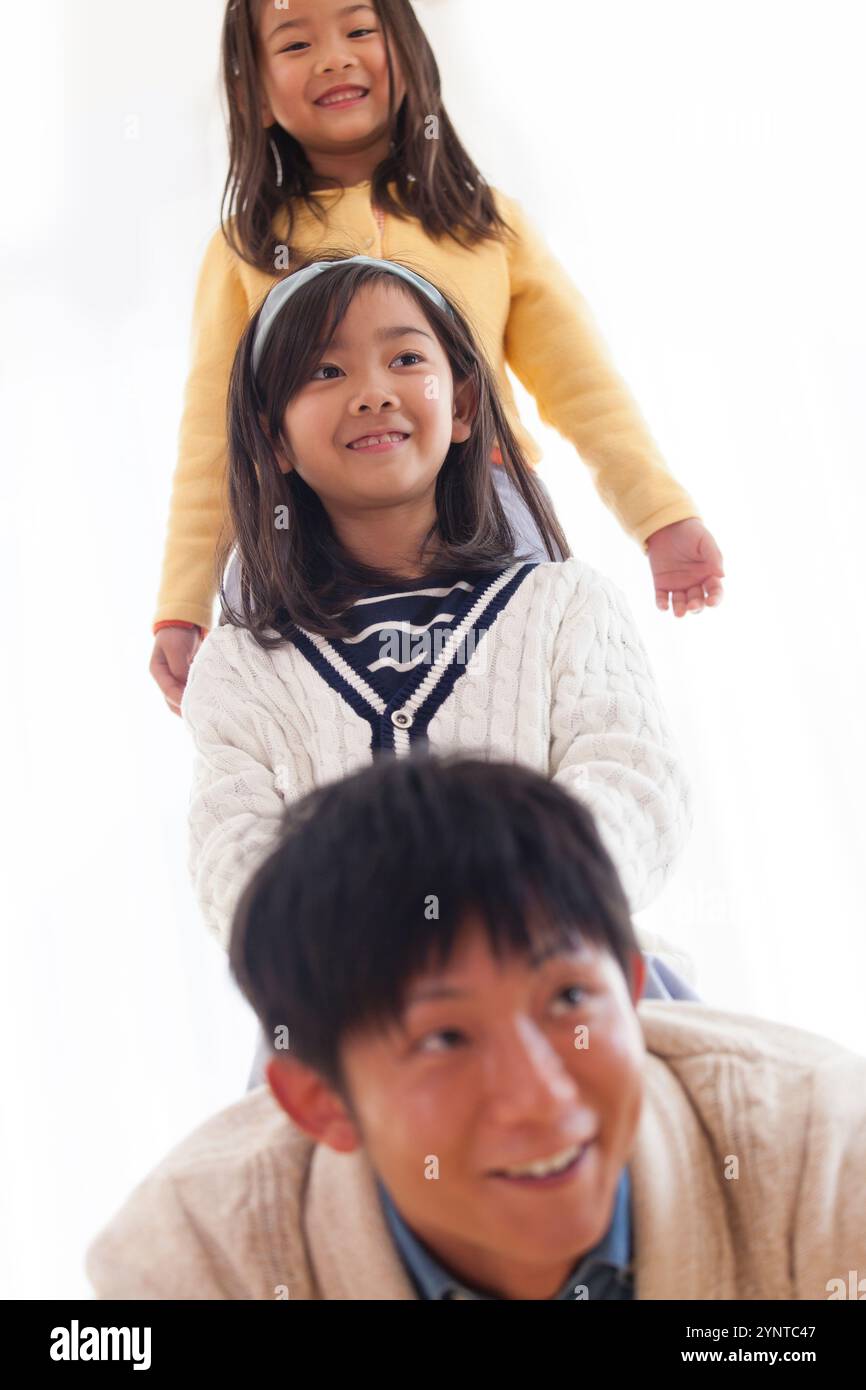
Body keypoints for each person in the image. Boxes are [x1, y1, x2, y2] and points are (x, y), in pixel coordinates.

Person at [85, 755, 866, 1300]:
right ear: (320, 1101)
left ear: (632, 988)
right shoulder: (191, 1260)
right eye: (444, 1039)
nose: (539, 1096)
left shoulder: (821, 1152)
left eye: (567, 1000)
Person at [150, 0, 725, 717]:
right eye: (296, 44)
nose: (334, 56)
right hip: (307, 535)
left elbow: (586, 388)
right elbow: (214, 433)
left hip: (482, 507)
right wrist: (183, 602)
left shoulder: (489, 222)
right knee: (334, 729)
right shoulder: (244, 249)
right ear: (255, 95)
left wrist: (659, 515)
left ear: (412, 56)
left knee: (524, 706)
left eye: (360, 30)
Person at [179, 252, 695, 1034]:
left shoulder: (564, 605)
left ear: (460, 406)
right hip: (359, 1011)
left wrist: (522, 908)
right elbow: (233, 851)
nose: (373, 391)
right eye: (323, 371)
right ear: (272, 438)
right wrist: (355, 950)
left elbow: (631, 781)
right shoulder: (243, 666)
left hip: (571, 984)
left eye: (407, 358)